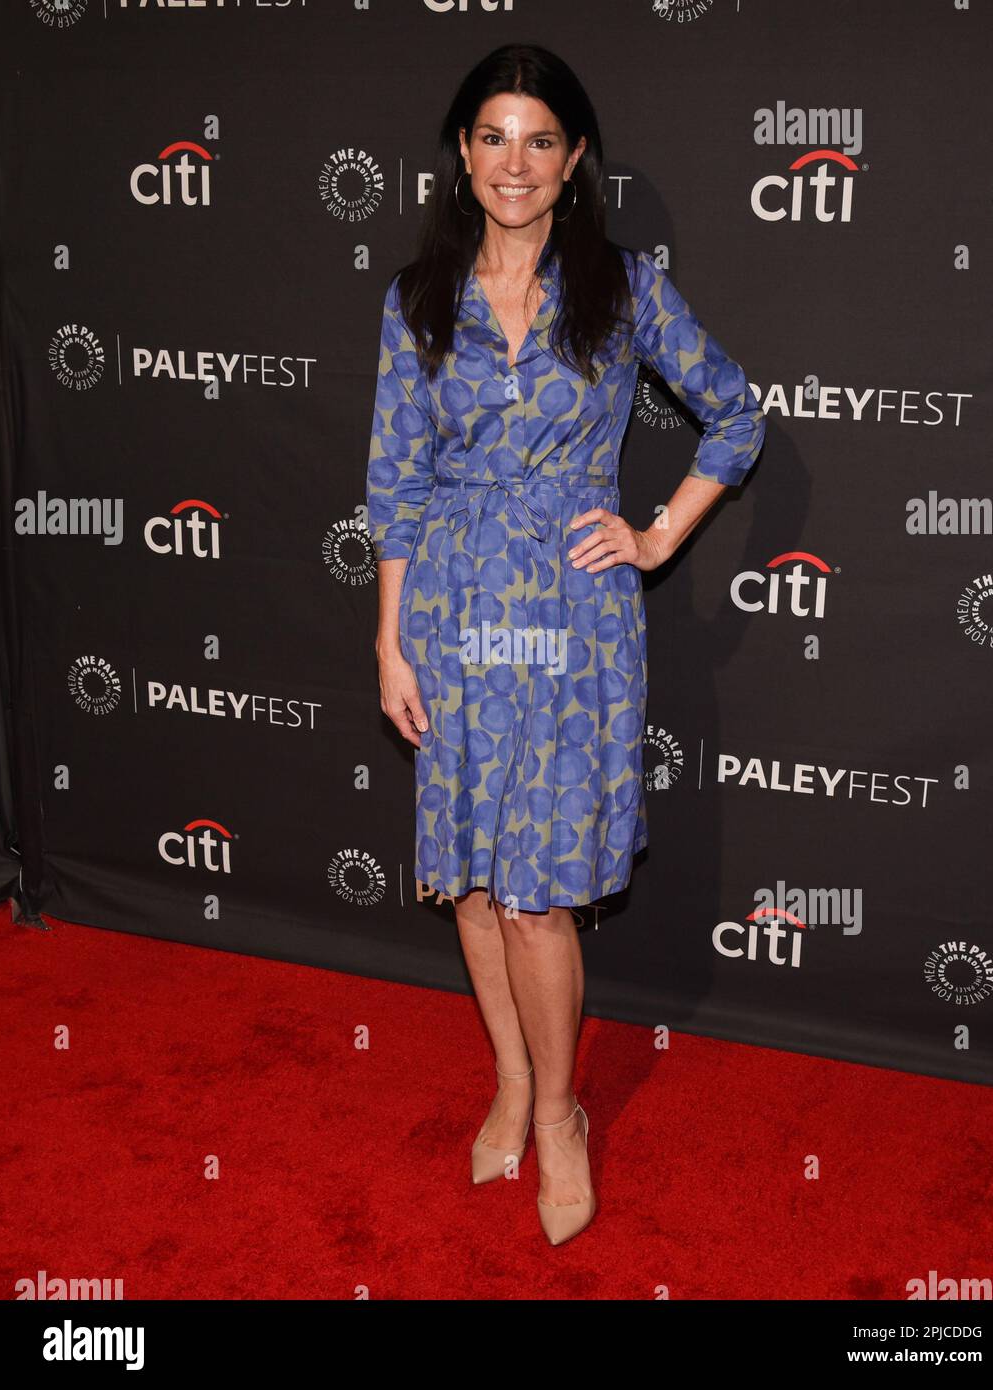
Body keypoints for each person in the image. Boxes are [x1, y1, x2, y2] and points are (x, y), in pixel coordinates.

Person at [365, 43, 765, 1247]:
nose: (514, 163)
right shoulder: (417, 299)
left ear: (575, 156)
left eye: (540, 139)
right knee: (477, 887)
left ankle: (559, 1118)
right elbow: (394, 482)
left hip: (568, 627)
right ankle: (509, 1077)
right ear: (462, 152)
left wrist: (655, 537)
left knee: (540, 902)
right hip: (446, 613)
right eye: (493, 136)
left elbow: (735, 415)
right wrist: (391, 642)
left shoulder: (624, 288)